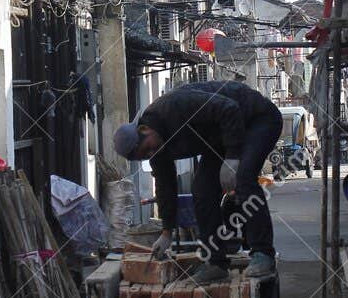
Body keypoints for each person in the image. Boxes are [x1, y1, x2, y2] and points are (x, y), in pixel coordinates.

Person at [112, 80, 284, 282]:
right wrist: (167, 232)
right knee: (202, 190)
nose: (152, 153)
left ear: (143, 129)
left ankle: (263, 254)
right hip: (221, 138)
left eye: (148, 148)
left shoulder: (173, 106)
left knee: (243, 177)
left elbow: (229, 108)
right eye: (146, 155)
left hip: (257, 119)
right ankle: (215, 263)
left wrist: (232, 157)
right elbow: (165, 187)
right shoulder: (157, 151)